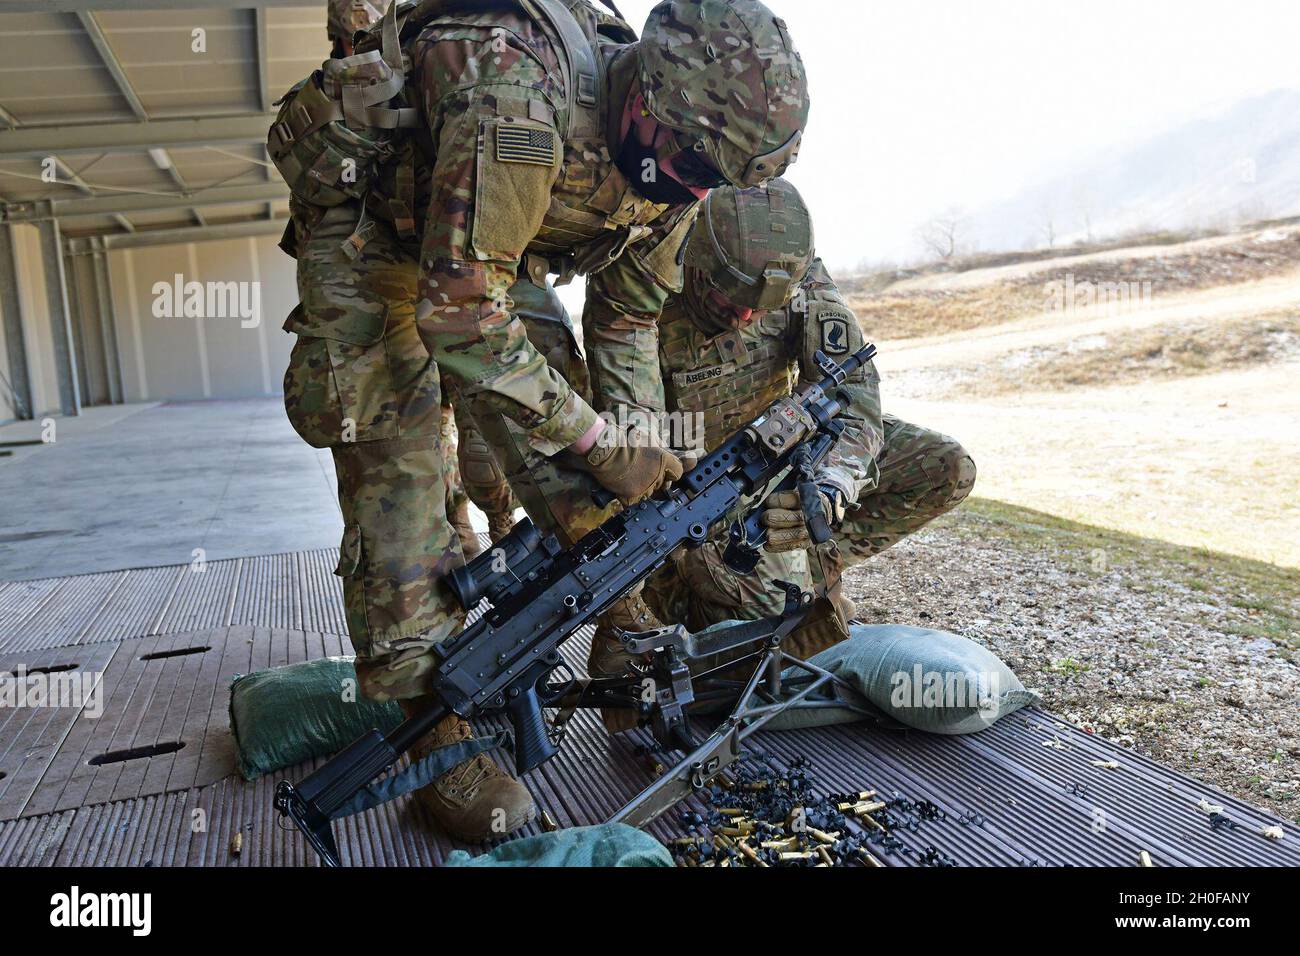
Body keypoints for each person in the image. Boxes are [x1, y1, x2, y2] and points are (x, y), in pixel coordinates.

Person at [272, 0, 809, 841]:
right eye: (688, 165)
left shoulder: (688, 167)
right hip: (375, 231)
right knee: (399, 462)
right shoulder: (515, 92)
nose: (691, 190)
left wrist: (631, 455)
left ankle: (619, 620)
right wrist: (597, 440)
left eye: (710, 180)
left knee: (571, 423)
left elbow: (627, 319)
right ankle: (434, 739)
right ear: (644, 102)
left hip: (489, 242)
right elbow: (459, 316)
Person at [643, 180, 977, 663]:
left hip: (792, 448)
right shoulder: (645, 289)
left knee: (947, 466)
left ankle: (806, 564)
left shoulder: (794, 270)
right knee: (761, 644)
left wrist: (831, 485)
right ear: (696, 259)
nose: (745, 315)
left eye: (762, 305)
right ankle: (767, 582)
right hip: (706, 490)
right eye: (729, 296)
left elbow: (853, 392)